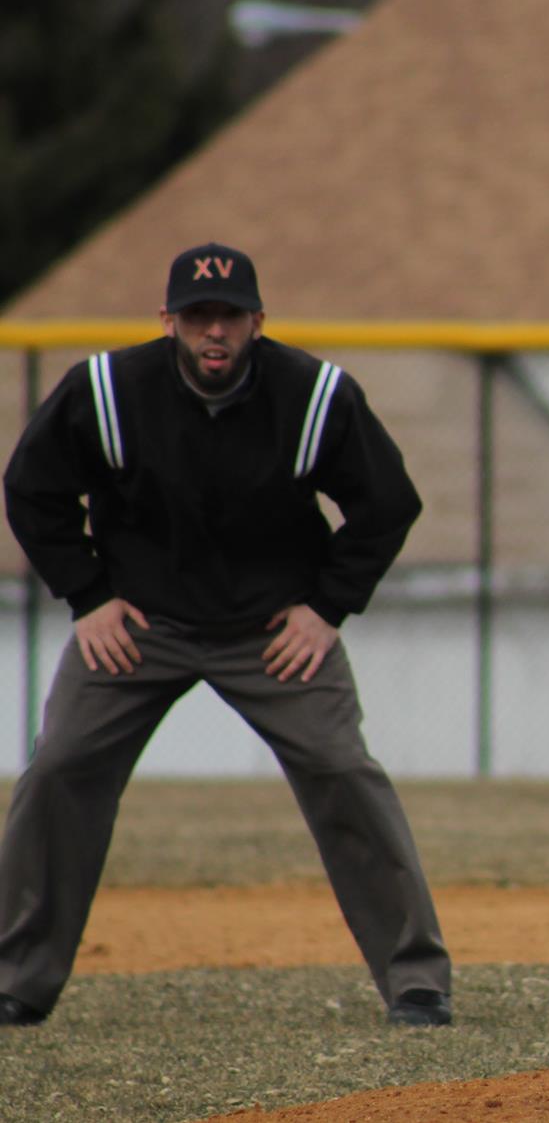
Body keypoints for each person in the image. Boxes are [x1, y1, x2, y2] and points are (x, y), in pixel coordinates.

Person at [0, 243, 453, 1029]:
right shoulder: (107, 390)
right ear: (168, 319)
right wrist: (90, 597)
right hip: (137, 626)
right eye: (199, 316)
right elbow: (32, 488)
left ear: (258, 322)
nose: (216, 332)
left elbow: (388, 504)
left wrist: (325, 608)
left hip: (271, 630)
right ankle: (16, 978)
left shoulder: (314, 395)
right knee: (60, 768)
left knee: (343, 767)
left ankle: (416, 979)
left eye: (232, 316)